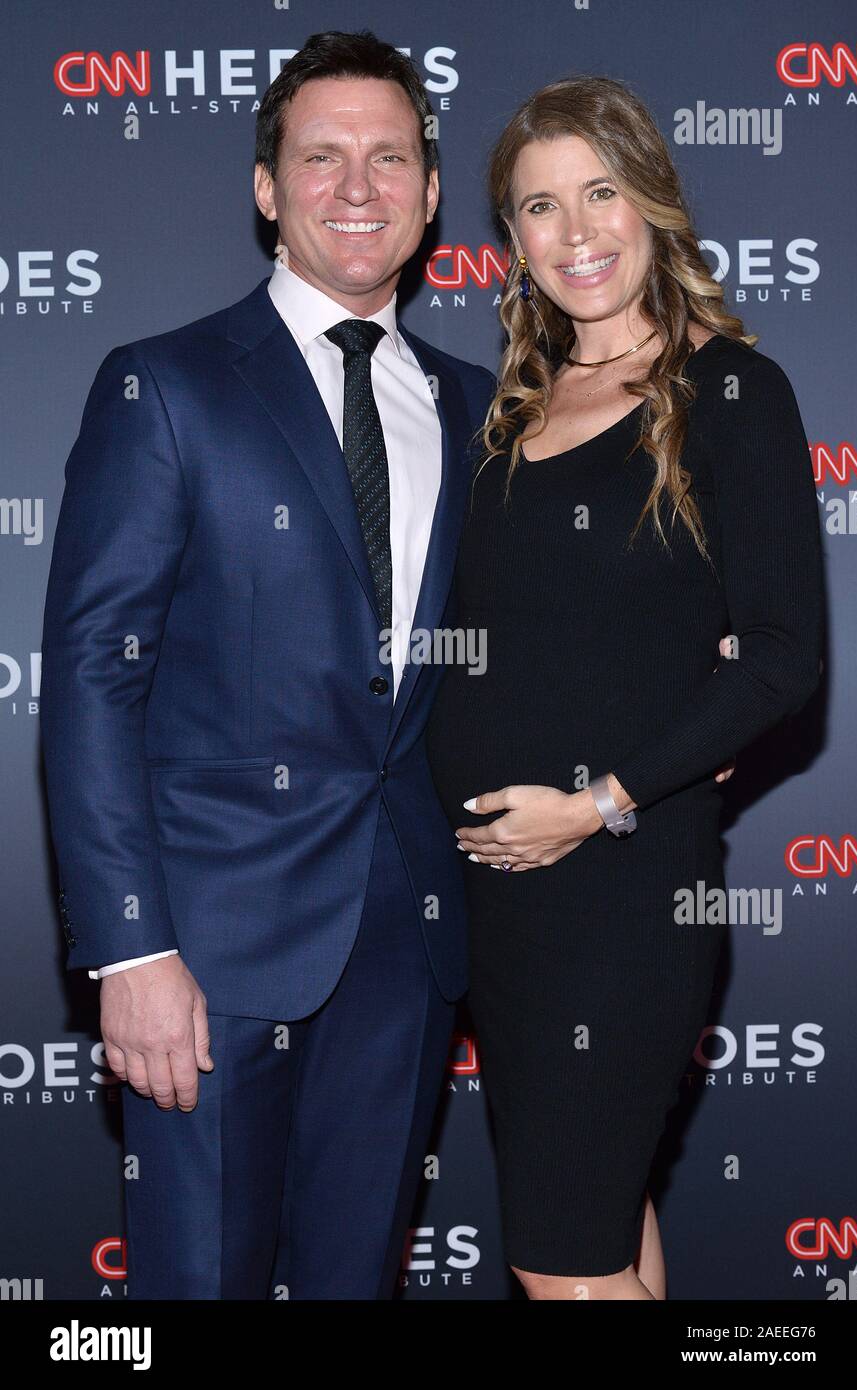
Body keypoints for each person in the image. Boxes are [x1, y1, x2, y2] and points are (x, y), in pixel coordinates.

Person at [39, 30, 495, 1300]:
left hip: (405, 942)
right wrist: (130, 952)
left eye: (389, 157)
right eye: (322, 157)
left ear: (430, 190)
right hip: (208, 955)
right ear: (265, 188)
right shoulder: (167, 388)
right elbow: (91, 674)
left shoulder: (475, 405)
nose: (358, 187)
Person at [425, 75, 826, 1301]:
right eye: (539, 207)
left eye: (599, 192)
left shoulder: (729, 393)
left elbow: (778, 656)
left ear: (651, 201)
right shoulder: (508, 407)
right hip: (504, 905)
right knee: (603, 1230)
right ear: (510, 237)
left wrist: (595, 803)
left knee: (559, 1263)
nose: (576, 230)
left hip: (620, 895)